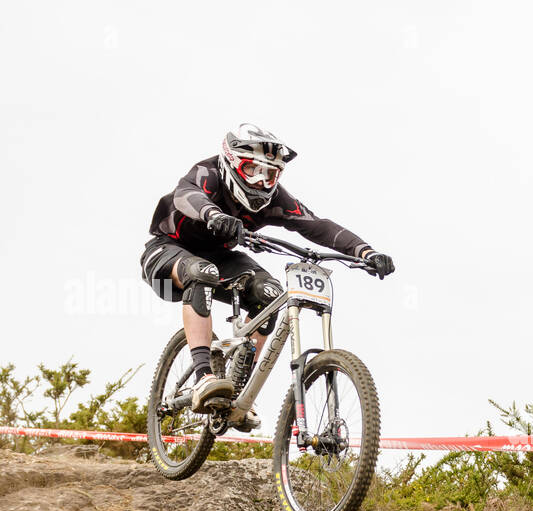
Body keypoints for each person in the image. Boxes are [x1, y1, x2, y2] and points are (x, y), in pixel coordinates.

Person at [140, 123, 394, 430]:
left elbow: (318, 225)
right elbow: (186, 196)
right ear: (232, 163)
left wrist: (364, 251)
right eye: (252, 170)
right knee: (202, 272)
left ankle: (238, 390)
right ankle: (203, 377)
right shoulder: (207, 174)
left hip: (222, 259)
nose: (262, 182)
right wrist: (213, 215)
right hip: (167, 250)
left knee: (271, 296)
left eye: (270, 174)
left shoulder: (275, 200)